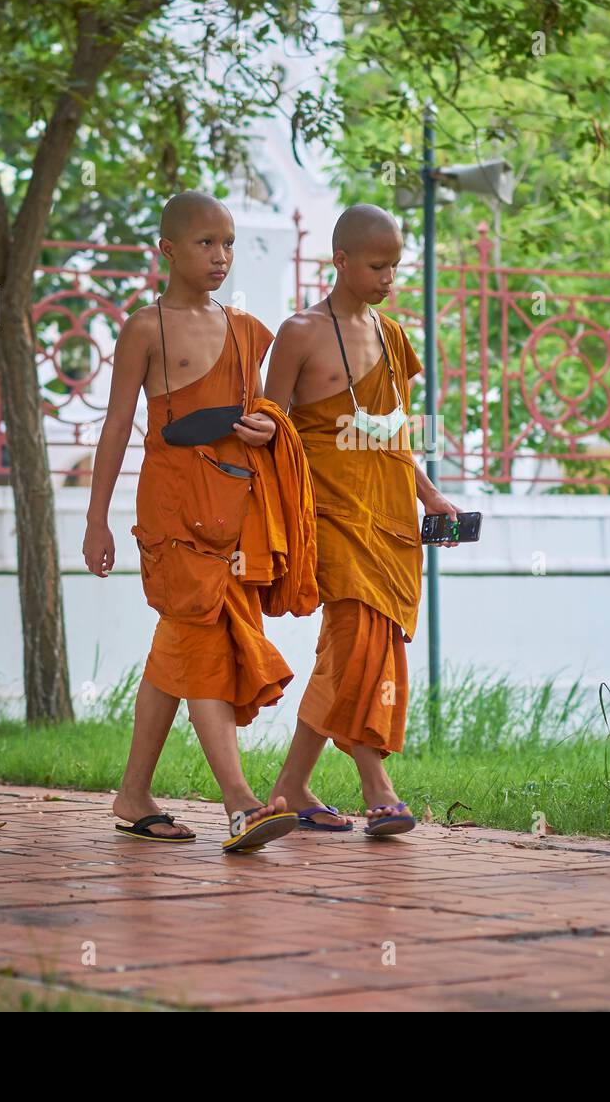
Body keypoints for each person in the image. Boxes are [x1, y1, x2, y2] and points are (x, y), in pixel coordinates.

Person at [83, 191, 317, 853]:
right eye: (205, 243)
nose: (220, 257)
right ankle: (241, 804)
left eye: (228, 243)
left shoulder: (244, 328)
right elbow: (115, 425)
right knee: (206, 645)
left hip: (233, 513)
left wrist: (270, 424)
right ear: (168, 251)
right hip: (173, 513)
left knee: (178, 652)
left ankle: (133, 794)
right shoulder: (146, 328)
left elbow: (276, 410)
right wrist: (96, 520)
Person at [262, 204, 459, 837]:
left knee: (353, 652)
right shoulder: (299, 333)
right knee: (356, 643)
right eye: (377, 265)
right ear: (340, 260)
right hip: (330, 511)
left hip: (393, 513)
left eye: (396, 267)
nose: (388, 278)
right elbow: (273, 427)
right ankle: (379, 786)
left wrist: (430, 494)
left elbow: (396, 432)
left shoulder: (392, 335)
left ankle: (292, 786)